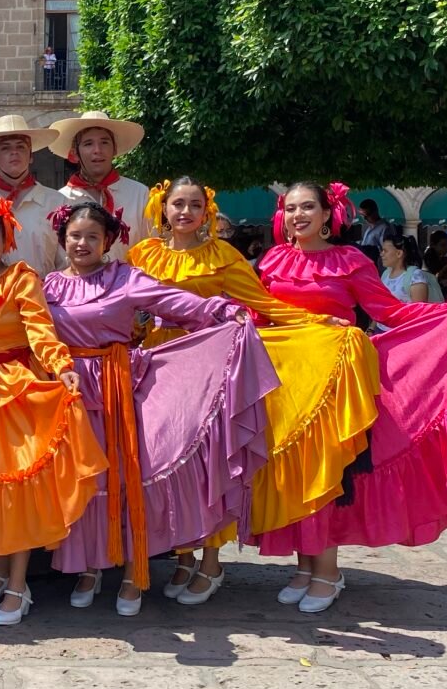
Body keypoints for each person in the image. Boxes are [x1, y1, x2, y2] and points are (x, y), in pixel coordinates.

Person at [255, 183, 447, 610]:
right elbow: (258, 316)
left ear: (329, 214)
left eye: (308, 207)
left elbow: (390, 311)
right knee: (293, 473)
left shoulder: (350, 260)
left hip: (333, 381)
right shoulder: (272, 260)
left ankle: (328, 572)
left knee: (327, 476)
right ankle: (305, 566)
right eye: (291, 208)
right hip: (286, 382)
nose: (298, 215)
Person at [127, 178, 378, 605]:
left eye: (194, 204)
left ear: (206, 211)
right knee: (164, 463)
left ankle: (210, 563)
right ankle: (182, 557)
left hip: (205, 366)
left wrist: (319, 324)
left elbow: (263, 305)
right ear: (161, 209)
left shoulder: (224, 256)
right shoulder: (141, 255)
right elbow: (127, 307)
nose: (184, 212)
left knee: (205, 466)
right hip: (154, 364)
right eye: (177, 205)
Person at [48, 201, 276, 616]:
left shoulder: (125, 278)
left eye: (92, 237)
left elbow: (176, 303)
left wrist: (225, 310)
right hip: (69, 391)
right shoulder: (48, 287)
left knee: (127, 474)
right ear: (62, 239)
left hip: (118, 385)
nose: (82, 243)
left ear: (108, 241)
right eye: (75, 236)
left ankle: (136, 572)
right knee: (84, 479)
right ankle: (88, 568)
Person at [0, 204, 105, 626]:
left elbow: (39, 329)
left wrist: (61, 366)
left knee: (13, 488)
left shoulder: (20, 279)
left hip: (11, 390)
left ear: (6, 239)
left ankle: (18, 586)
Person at [0, 115, 68, 276]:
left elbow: (65, 261)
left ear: (31, 155)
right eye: (5, 148)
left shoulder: (55, 201)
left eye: (20, 147)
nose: (14, 153)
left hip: (44, 295)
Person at [51, 111, 152, 258]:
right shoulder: (60, 199)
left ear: (114, 149)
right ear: (74, 153)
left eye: (104, 142)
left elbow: (152, 247)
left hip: (131, 279)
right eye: (88, 144)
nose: (97, 150)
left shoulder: (139, 194)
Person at [379, 233, 443, 305]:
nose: (381, 254)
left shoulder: (415, 276)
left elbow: (419, 310)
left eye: (385, 251)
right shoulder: (385, 274)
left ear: (399, 253)